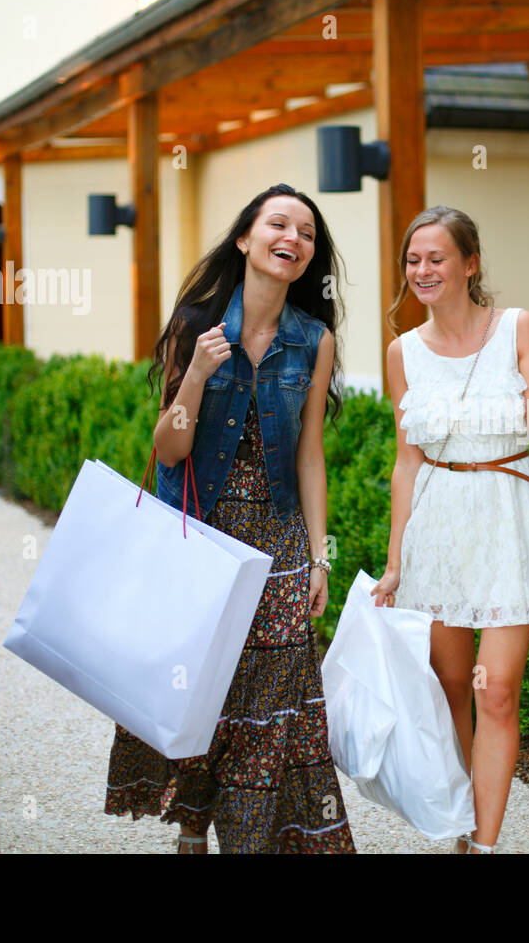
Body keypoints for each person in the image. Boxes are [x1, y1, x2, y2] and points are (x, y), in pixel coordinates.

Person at [104, 184, 356, 854]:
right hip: (201, 535)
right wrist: (196, 376)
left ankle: (246, 840)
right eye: (280, 223)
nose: (294, 238)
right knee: (201, 689)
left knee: (268, 704)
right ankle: (191, 825)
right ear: (246, 238)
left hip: (277, 542)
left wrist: (318, 556)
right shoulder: (196, 324)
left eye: (307, 232)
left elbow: (310, 459)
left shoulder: (314, 341)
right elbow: (168, 447)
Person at [370, 206, 529, 853]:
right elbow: (406, 462)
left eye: (437, 258)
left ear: (470, 263)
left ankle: (484, 846)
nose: (423, 271)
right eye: (413, 260)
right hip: (436, 522)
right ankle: (462, 821)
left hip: (508, 514)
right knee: (451, 687)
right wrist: (395, 559)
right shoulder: (401, 352)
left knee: (498, 691)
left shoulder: (517, 327)